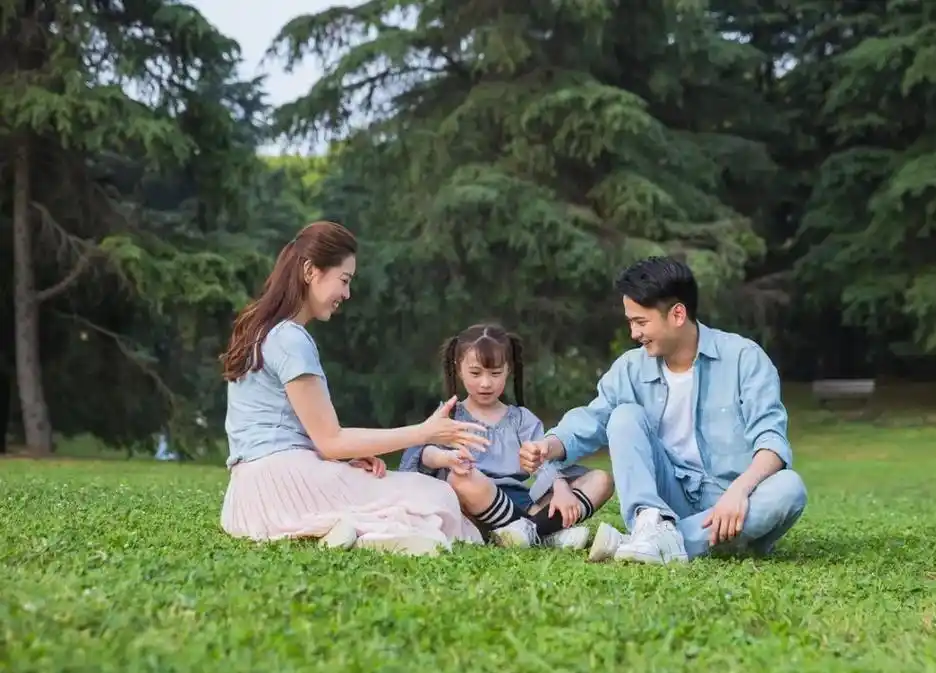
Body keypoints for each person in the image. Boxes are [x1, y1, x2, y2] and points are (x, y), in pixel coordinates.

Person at [218, 221, 490, 556]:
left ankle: (343, 532)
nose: (346, 294)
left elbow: (286, 433)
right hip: (286, 484)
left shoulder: (260, 331)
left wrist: (346, 455)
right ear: (309, 271)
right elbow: (331, 441)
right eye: (344, 280)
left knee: (401, 490)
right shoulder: (290, 338)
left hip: (246, 502)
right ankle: (372, 535)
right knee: (437, 494)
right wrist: (425, 432)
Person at [519, 257, 807, 565]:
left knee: (789, 488)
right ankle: (658, 528)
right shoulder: (631, 368)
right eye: (630, 322)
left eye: (641, 322)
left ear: (678, 314)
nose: (633, 333)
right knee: (624, 416)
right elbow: (593, 420)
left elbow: (771, 441)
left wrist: (738, 492)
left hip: (731, 500)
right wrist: (549, 446)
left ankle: (655, 541)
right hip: (666, 500)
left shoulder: (744, 358)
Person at [399, 323, 614, 551]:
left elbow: (543, 462)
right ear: (458, 369)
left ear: (508, 370)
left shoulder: (521, 419)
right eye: (475, 373)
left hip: (522, 503)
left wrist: (561, 488)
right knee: (461, 479)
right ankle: (544, 532)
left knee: (601, 480)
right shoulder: (450, 414)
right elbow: (419, 454)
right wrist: (443, 459)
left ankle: (528, 531)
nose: (485, 383)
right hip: (474, 503)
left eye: (495, 373)